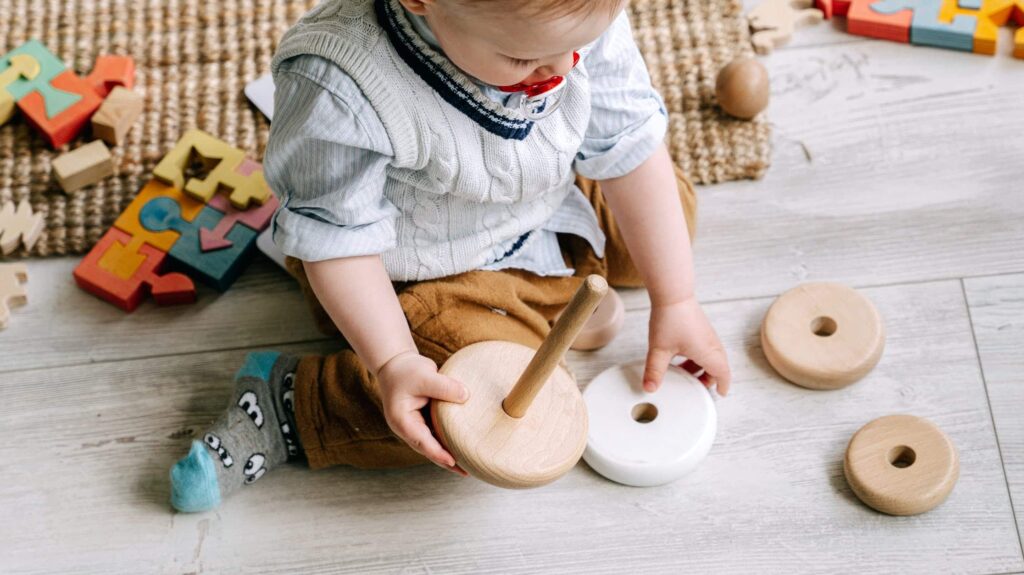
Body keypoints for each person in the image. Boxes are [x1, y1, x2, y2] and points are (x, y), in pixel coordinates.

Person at [169, 0, 731, 513]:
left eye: (580, 46)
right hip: (412, 273)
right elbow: (339, 243)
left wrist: (677, 298)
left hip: (543, 204)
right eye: (523, 58)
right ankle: (291, 403)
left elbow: (627, 140)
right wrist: (392, 363)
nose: (561, 70)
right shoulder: (339, 82)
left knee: (670, 211)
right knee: (464, 406)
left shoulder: (571, 21)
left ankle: (556, 292)